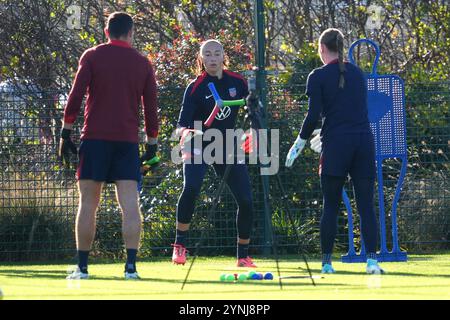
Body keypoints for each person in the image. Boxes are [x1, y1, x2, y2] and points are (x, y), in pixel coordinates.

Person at [60, 12, 159, 280]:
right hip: (126, 142)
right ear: (131, 32)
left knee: (88, 204)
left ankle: (82, 268)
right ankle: (130, 268)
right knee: (130, 203)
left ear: (106, 31)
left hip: (95, 139)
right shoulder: (142, 63)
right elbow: (150, 107)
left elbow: (76, 95)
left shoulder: (92, 55)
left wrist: (65, 132)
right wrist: (152, 145)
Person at [285, 28, 384, 274]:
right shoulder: (358, 74)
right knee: (366, 205)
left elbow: (313, 115)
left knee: (330, 205)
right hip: (363, 143)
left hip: (337, 145)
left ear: (321, 49)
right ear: (341, 47)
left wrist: (298, 144)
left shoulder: (317, 76)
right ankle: (372, 261)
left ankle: (327, 263)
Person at [172, 39, 256, 268]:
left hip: (227, 145)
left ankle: (243, 256)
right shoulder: (196, 86)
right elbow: (181, 124)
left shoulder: (238, 82)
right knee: (191, 188)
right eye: (207, 54)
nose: (212, 58)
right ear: (201, 58)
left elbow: (255, 111)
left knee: (246, 200)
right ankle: (180, 246)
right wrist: (186, 133)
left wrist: (253, 133)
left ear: (223, 57)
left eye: (216, 53)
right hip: (198, 144)